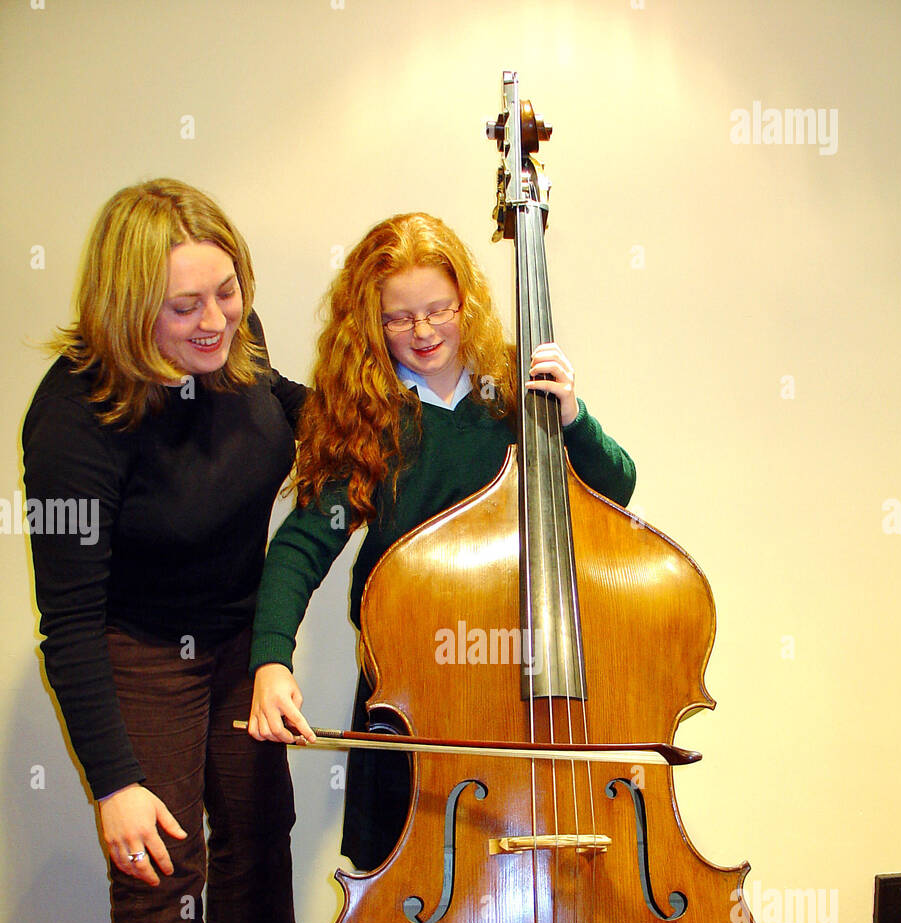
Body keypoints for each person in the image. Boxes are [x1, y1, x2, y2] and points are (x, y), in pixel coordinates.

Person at [23, 179, 307, 923]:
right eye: (183, 307)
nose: (215, 320)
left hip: (238, 632)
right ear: (126, 307)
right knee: (163, 860)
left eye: (225, 292)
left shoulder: (237, 337)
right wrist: (113, 783)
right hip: (135, 640)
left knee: (261, 825)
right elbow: (65, 623)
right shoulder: (70, 421)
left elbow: (283, 411)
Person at [247, 211, 636, 870]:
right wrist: (271, 660)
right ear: (370, 321)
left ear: (466, 301)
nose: (422, 331)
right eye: (399, 318)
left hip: (518, 672)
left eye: (438, 310)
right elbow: (301, 545)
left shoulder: (514, 390)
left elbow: (613, 491)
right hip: (410, 684)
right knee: (412, 869)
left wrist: (572, 417)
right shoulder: (367, 417)